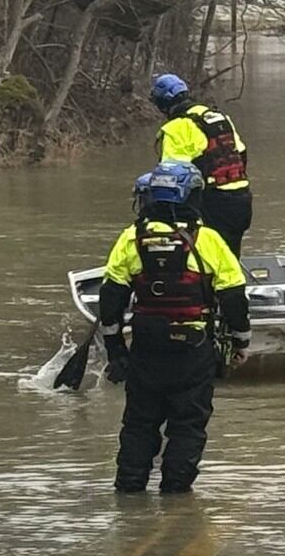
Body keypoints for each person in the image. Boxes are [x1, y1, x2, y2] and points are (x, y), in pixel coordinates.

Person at [98, 161, 251, 495]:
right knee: (187, 425)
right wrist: (241, 340)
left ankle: (129, 491)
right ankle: (176, 497)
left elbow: (109, 302)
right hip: (193, 351)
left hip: (145, 349)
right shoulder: (208, 240)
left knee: (139, 424)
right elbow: (235, 298)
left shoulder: (130, 239)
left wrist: (115, 352)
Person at [150, 72, 252, 255]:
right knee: (229, 258)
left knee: (205, 258)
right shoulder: (219, 118)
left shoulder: (176, 128)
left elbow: (170, 178)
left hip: (213, 203)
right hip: (242, 201)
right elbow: (241, 155)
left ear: (163, 104)